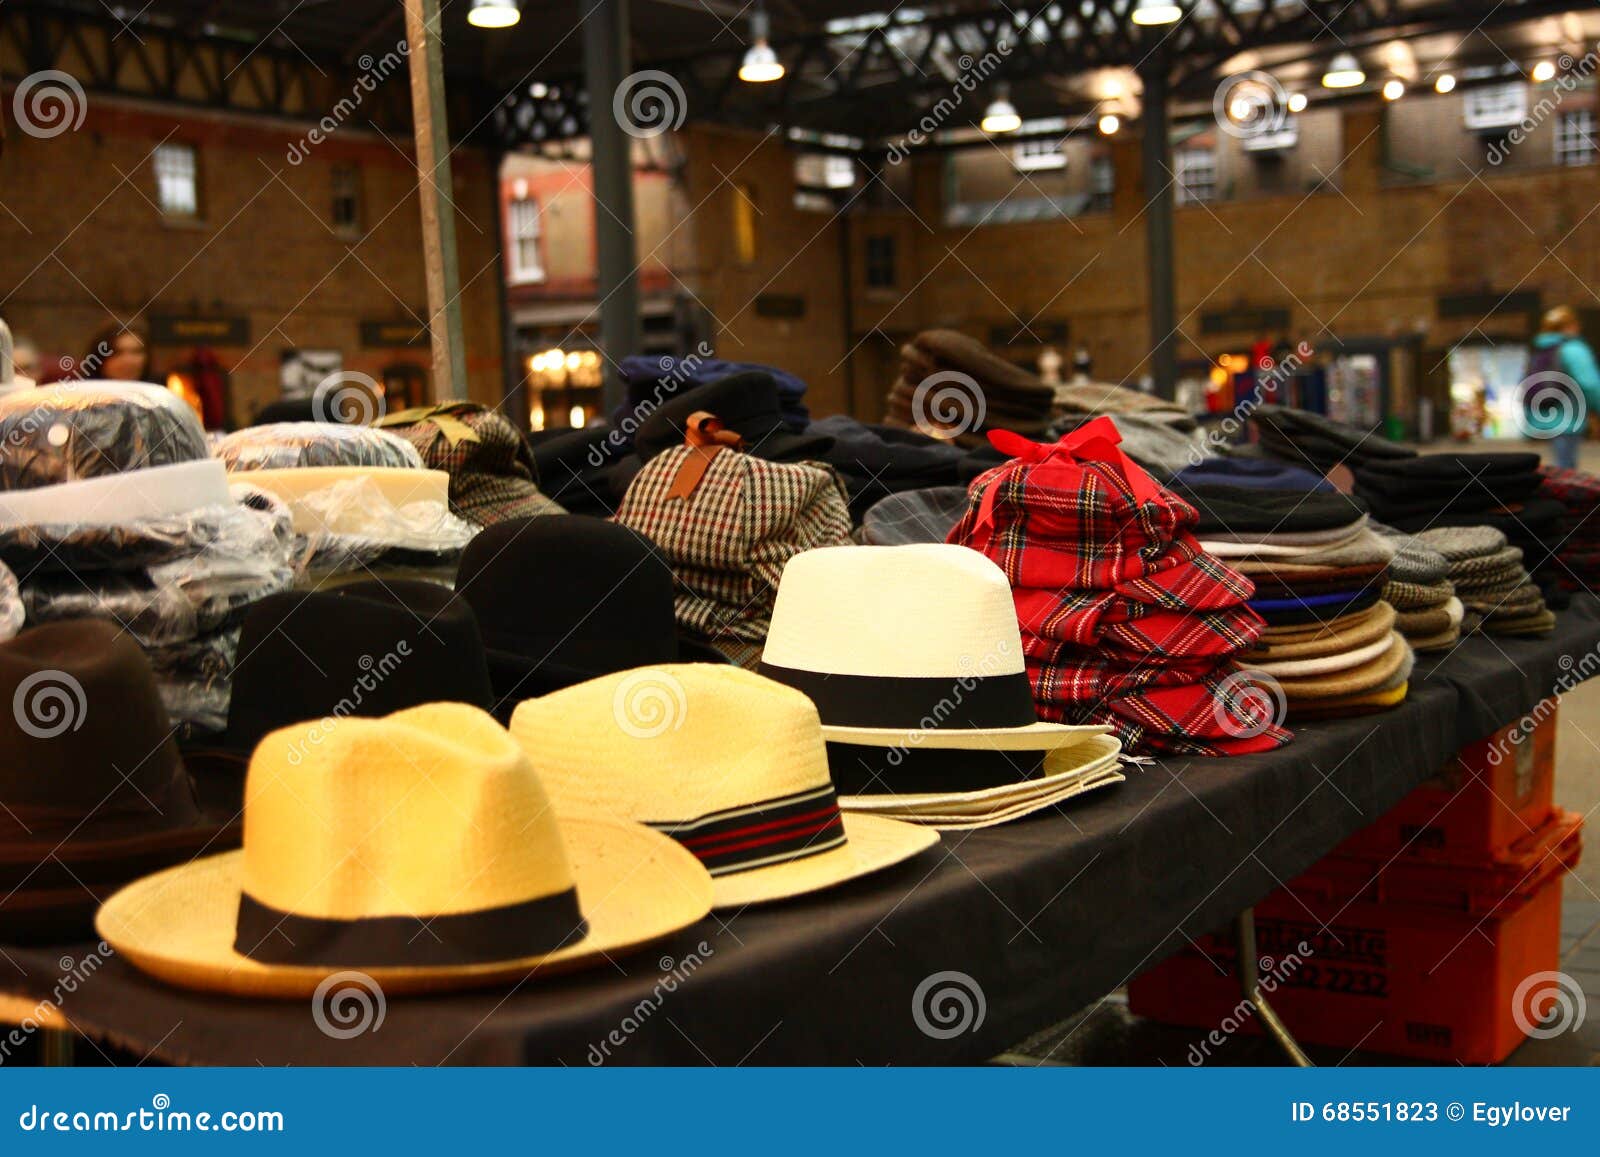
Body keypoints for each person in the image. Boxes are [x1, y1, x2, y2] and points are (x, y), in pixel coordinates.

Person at [1526, 306, 1600, 470]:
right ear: (1571, 326)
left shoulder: (1540, 349)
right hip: (1568, 418)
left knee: (1560, 464)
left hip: (1542, 416)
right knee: (1566, 467)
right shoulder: (1573, 349)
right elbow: (1590, 384)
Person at [84, 322, 156, 383]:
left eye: (136, 351)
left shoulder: (159, 394)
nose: (128, 360)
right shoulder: (80, 394)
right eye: (118, 353)